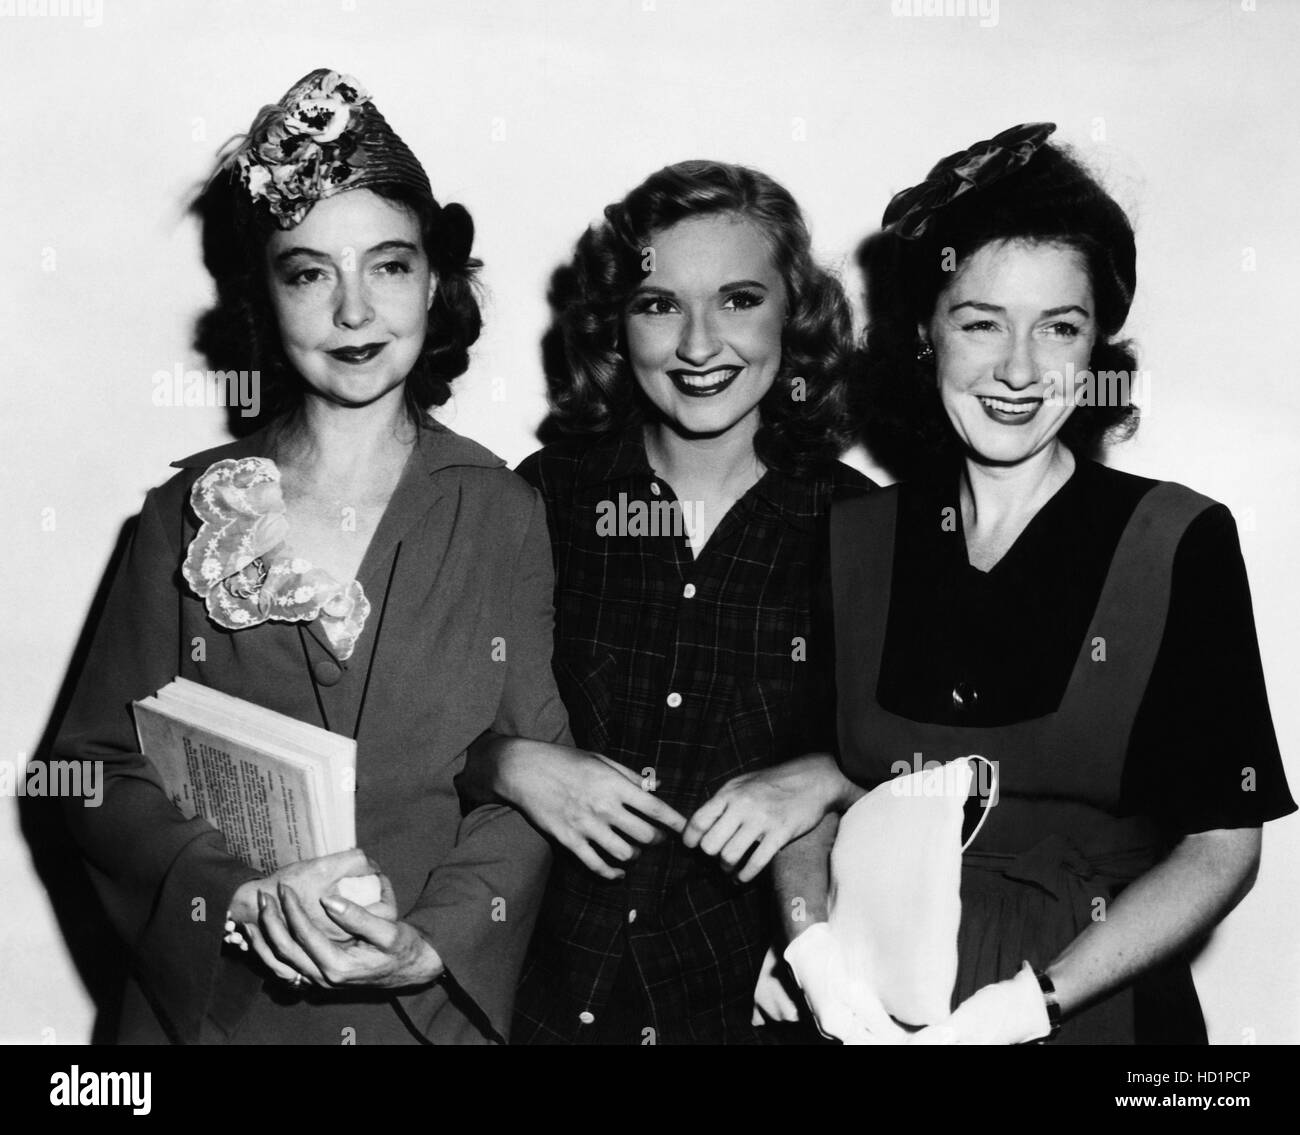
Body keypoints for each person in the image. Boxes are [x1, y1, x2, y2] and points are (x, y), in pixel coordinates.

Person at [53, 68, 568, 1044]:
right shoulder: (183, 514)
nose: (353, 311)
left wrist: (430, 946)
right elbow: (86, 773)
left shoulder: (502, 509)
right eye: (308, 271)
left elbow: (528, 781)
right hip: (216, 1013)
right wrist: (239, 899)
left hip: (417, 1012)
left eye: (388, 264)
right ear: (264, 292)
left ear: (434, 278)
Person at [771, 123, 1295, 1044]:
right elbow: (811, 795)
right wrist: (810, 949)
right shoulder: (851, 538)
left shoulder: (1178, 540)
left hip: (1097, 1014)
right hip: (876, 1013)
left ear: (1097, 347)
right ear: (926, 334)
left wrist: (1030, 1006)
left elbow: (1223, 847)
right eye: (981, 323)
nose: (1019, 370)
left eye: (1060, 326)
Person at [459, 160, 871, 1044]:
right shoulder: (541, 497)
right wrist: (507, 764)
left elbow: (952, 758)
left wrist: (831, 774)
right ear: (617, 323)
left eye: (737, 300)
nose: (697, 344)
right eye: (658, 305)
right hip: (535, 1000)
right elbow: (419, 740)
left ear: (794, 315)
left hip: (748, 1010)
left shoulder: (862, 526)